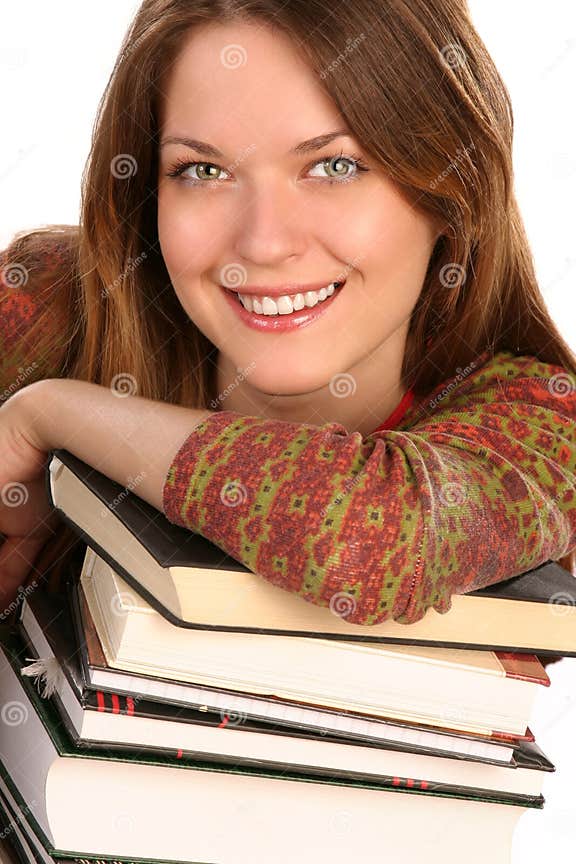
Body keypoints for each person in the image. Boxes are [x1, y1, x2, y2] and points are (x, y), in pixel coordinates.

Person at [0, 0, 574, 654]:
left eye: (336, 166)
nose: (265, 243)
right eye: (204, 171)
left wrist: (50, 413)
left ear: (450, 191)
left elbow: (370, 538)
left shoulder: (540, 424)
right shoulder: (46, 304)